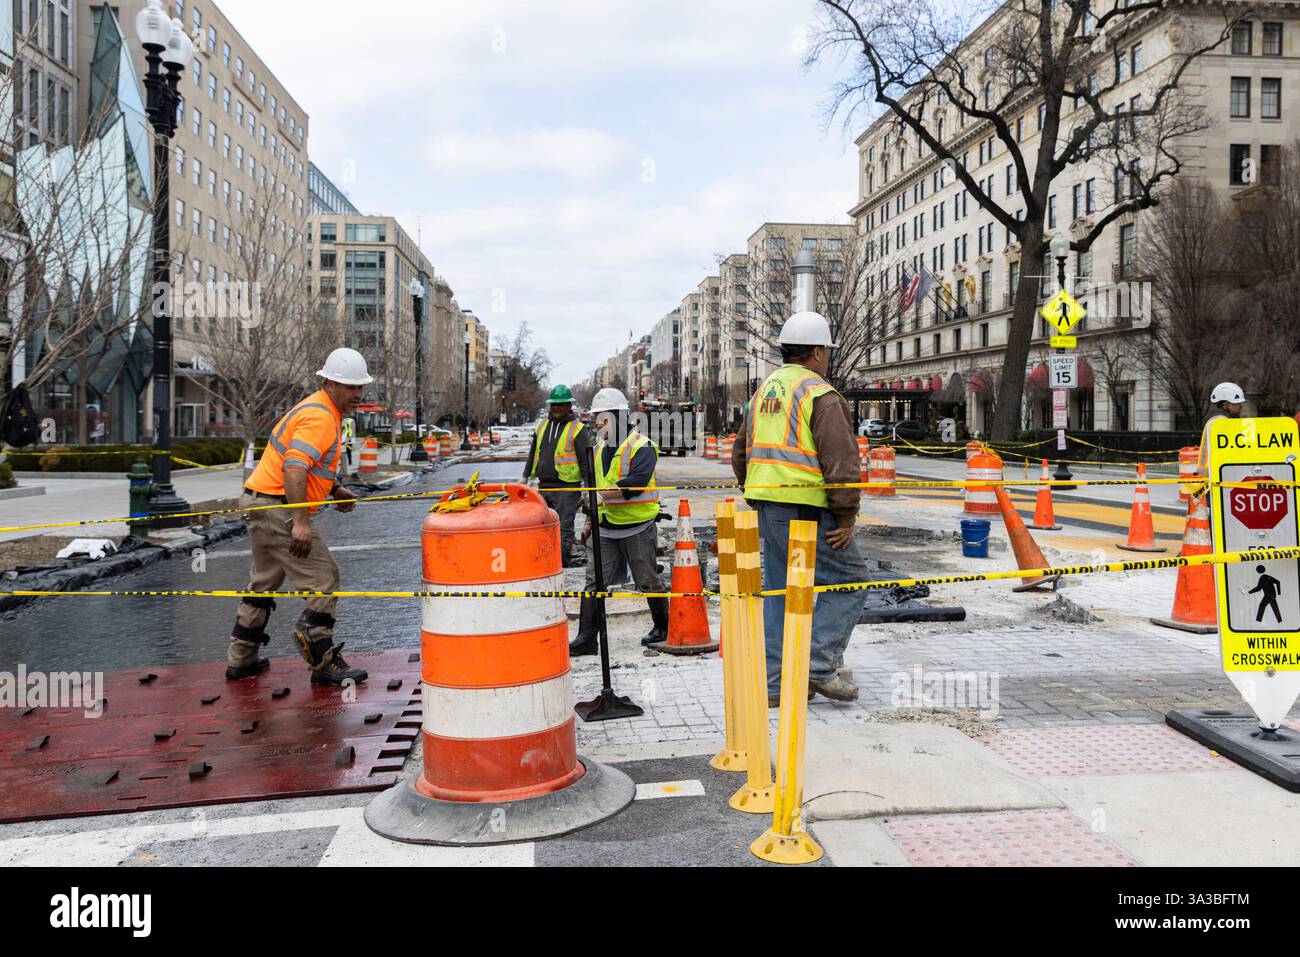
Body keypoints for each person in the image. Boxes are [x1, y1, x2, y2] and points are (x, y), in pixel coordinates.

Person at [733, 310, 869, 706]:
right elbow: (841, 463)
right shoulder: (820, 394)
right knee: (850, 579)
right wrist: (846, 517)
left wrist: (757, 490)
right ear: (816, 352)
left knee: (778, 589)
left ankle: (776, 684)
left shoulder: (764, 392)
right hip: (809, 510)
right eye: (825, 350)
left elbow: (740, 452)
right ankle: (818, 665)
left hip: (769, 506)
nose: (826, 357)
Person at [225, 348, 372, 686]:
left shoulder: (319, 409)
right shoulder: (321, 416)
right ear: (330, 383)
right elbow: (294, 467)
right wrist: (301, 523)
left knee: (263, 582)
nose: (358, 394)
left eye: (360, 387)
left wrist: (333, 490)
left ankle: (241, 658)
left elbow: (308, 463)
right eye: (351, 387)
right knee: (323, 578)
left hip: (259, 503)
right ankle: (324, 662)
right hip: (276, 509)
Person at [568, 387, 668, 656]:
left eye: (600, 418)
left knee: (647, 579)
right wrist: (589, 521)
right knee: (593, 583)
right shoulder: (600, 449)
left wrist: (599, 497)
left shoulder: (642, 446)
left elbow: (635, 483)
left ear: (615, 417)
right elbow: (595, 486)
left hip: (637, 527)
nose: (596, 424)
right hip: (606, 528)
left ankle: (664, 628)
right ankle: (587, 637)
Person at [522, 384, 592, 566]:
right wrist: (525, 476)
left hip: (567, 488)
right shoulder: (542, 426)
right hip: (544, 486)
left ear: (569, 406)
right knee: (542, 527)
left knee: (564, 528)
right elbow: (533, 453)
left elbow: (586, 462)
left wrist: (588, 488)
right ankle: (545, 561)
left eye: (561, 404)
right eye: (554, 404)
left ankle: (561, 563)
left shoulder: (577, 429)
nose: (557, 408)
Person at [1197, 382, 1246, 479]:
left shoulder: (1215, 419)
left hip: (1213, 472)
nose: (1241, 407)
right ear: (1226, 405)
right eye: (1238, 404)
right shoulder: (1220, 421)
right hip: (1218, 474)